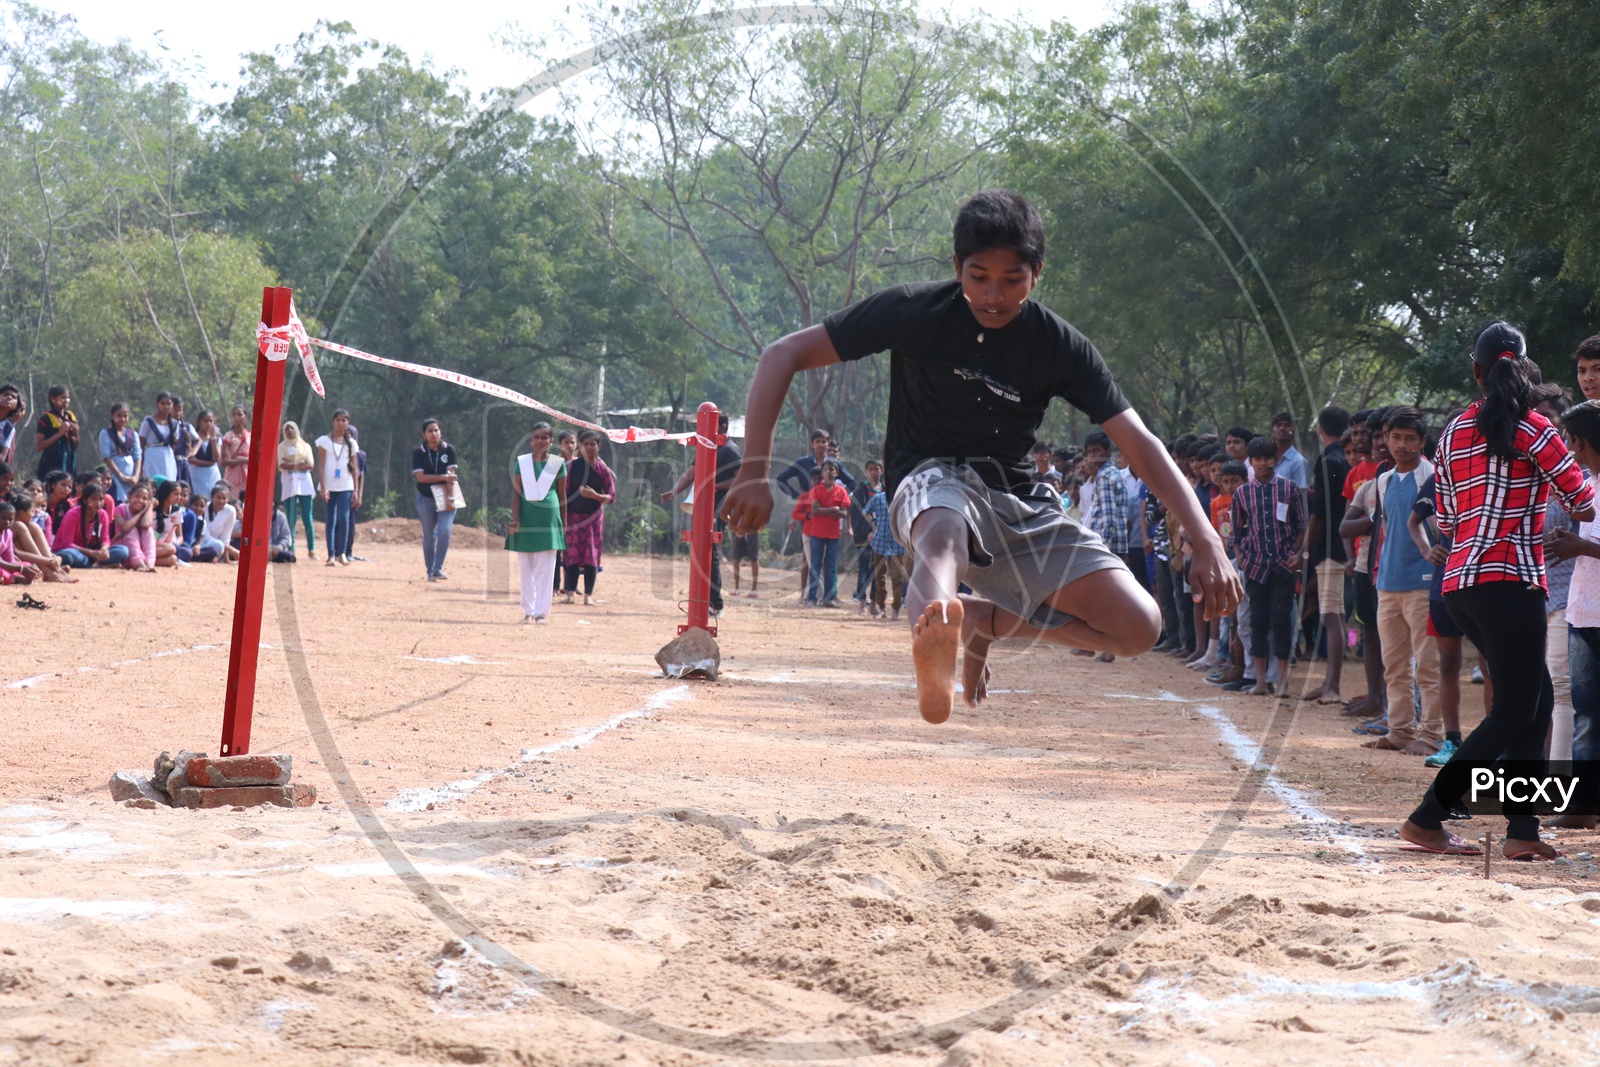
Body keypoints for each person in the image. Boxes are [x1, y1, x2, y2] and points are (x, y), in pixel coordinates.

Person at [720, 189, 1240, 721]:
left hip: (1018, 499)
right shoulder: (914, 311)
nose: (993, 295)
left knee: (1138, 627)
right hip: (929, 477)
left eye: (1011, 279)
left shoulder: (1061, 346)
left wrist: (1206, 539)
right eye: (978, 277)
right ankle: (936, 652)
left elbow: (1139, 443)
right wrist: (754, 471)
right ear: (956, 268)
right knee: (943, 534)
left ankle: (977, 620)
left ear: (1037, 273)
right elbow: (782, 353)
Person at [1401, 322, 1594, 859]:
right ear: (1527, 370)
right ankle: (1427, 818)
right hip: (1512, 580)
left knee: (1532, 705)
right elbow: (1583, 501)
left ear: (1477, 372)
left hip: (1462, 582)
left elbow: (1447, 516)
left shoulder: (1453, 432)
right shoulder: (1535, 428)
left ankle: (1522, 833)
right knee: (1514, 709)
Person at [1359, 407, 1443, 753]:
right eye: (1395, 437)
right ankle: (1399, 730)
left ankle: (1433, 735)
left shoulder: (1434, 476)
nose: (1401, 445)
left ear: (1422, 442)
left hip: (1422, 582)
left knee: (1428, 665)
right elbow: (1386, 530)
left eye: (1410, 438)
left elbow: (1442, 527)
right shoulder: (1383, 480)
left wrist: (1434, 555)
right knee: (1393, 666)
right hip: (1388, 582)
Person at [1548, 399, 1600, 828]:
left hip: (1590, 613)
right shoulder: (1588, 485)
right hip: (1583, 612)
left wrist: (1580, 547)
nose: (1566, 447)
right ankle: (1581, 807)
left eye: (1568, 439)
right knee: (1586, 712)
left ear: (1581, 442)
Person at [1230, 436, 1306, 695]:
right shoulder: (1242, 493)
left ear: (1275, 459)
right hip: (1254, 566)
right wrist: (1240, 556)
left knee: (1282, 621)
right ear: (1250, 462)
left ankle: (1283, 681)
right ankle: (1261, 681)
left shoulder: (1289, 488)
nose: (1263, 463)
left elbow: (1300, 526)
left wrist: (1296, 554)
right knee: (1257, 622)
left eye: (1268, 458)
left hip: (1283, 565)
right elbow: (1237, 532)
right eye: (1258, 459)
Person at [660, 413, 743, 616]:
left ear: (722, 425)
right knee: (700, 550)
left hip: (719, 507)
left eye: (706, 424)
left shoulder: (731, 450)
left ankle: (716, 604)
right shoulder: (706, 447)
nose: (700, 428)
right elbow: (690, 474)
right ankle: (702, 601)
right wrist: (674, 491)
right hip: (702, 506)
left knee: (710, 551)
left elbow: (740, 479)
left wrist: (714, 486)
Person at [1302, 406, 1351, 703]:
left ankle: (1332, 685)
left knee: (1331, 615)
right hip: (1340, 546)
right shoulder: (1344, 459)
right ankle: (1329, 681)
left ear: (1321, 429)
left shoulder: (1327, 460)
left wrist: (1304, 549)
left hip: (1330, 547)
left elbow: (1320, 511)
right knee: (1337, 614)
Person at [507, 422, 566, 624]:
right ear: (531, 440)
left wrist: (563, 525)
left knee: (546, 569)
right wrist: (515, 518)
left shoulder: (557, 463)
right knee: (526, 568)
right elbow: (516, 492)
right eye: (537, 437)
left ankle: (541, 613)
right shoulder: (522, 462)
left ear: (551, 441)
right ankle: (528, 612)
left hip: (549, 519)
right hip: (525, 518)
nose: (540, 441)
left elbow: (562, 495)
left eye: (545, 437)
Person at [562, 429, 616, 605]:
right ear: (580, 446)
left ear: (598, 447)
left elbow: (611, 497)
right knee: (571, 555)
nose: (589, 447)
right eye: (585, 444)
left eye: (593, 444)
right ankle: (569, 594)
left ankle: (588, 596)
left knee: (592, 555)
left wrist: (595, 496)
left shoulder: (603, 470)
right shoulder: (571, 467)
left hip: (593, 519)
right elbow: (563, 492)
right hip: (573, 518)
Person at [412, 418, 459, 581]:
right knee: (429, 535)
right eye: (430, 431)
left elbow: (451, 477)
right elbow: (421, 478)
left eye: (436, 430)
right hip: (426, 497)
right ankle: (430, 569)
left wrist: (452, 498)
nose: (434, 434)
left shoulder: (449, 450)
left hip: (447, 494)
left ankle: (438, 568)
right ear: (424, 434)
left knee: (444, 531)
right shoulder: (419, 453)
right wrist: (442, 477)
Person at [799, 460, 850, 606]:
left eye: (832, 469)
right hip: (817, 533)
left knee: (830, 566)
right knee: (815, 565)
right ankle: (812, 598)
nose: (829, 472)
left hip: (833, 534)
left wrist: (824, 510)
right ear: (822, 473)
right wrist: (833, 509)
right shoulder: (816, 490)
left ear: (837, 473)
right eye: (826, 469)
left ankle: (828, 598)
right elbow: (814, 511)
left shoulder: (841, 491)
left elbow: (844, 513)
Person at [315, 409, 359, 566]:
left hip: (345, 485)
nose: (341, 423)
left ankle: (342, 553)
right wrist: (323, 487)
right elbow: (320, 466)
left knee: (344, 518)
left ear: (348, 423)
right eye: (338, 420)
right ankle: (331, 555)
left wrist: (356, 490)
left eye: (344, 420)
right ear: (333, 421)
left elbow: (354, 467)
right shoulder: (324, 441)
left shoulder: (351, 443)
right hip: (329, 485)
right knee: (331, 519)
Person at [864, 479, 909, 620]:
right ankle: (881, 608)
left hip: (897, 543)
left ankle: (895, 608)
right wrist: (873, 523)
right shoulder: (877, 498)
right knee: (879, 577)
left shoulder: (903, 499)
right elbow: (865, 511)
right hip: (880, 542)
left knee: (897, 577)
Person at [5, 489, 70, 582]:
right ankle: (47, 571)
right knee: (20, 526)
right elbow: (17, 553)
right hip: (13, 562)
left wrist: (51, 559)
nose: (34, 514)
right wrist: (47, 561)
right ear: (22, 513)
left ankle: (52, 568)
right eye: (32, 511)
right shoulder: (14, 526)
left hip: (38, 561)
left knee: (33, 526)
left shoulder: (27, 525)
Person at [849, 459, 887, 614]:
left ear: (881, 471)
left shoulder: (885, 490)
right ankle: (862, 603)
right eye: (871, 469)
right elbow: (856, 512)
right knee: (864, 569)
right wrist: (868, 531)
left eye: (877, 469)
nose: (874, 472)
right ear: (866, 471)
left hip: (882, 536)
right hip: (864, 536)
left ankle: (874, 604)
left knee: (878, 570)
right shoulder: (861, 490)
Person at [278, 421, 316, 559]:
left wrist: (291, 465)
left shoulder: (305, 446)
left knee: (307, 517)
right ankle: (291, 547)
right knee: (291, 517)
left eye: (292, 429)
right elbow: (281, 464)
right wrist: (298, 464)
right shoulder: (281, 447)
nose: (289, 432)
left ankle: (312, 549)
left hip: (304, 484)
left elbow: (310, 465)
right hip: (289, 483)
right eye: (287, 429)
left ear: (297, 430)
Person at [98, 403, 142, 505]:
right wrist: (121, 476)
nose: (122, 419)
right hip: (115, 474)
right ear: (112, 416)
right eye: (119, 415)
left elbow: (138, 456)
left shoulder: (133, 434)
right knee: (116, 501)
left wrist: (136, 476)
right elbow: (106, 456)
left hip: (131, 475)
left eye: (125, 416)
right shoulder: (106, 433)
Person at [112, 479, 157, 572]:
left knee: (149, 531)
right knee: (131, 530)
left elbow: (145, 525)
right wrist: (140, 513)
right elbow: (125, 528)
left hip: (141, 548)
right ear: (129, 497)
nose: (140, 500)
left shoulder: (148, 511)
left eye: (144, 498)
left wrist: (150, 507)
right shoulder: (120, 509)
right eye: (137, 496)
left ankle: (149, 564)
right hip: (124, 547)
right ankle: (138, 563)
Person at [33, 385, 78, 479]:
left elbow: (76, 444)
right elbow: (39, 446)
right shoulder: (45, 418)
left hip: (69, 458)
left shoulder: (70, 416)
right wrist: (59, 433)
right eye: (63, 397)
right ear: (53, 399)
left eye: (68, 397)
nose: (67, 400)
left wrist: (76, 433)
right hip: (52, 461)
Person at [139, 393, 179, 484]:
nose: (166, 406)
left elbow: (175, 442)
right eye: (163, 403)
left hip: (167, 456)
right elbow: (141, 443)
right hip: (152, 455)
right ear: (157, 404)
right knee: (153, 481)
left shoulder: (174, 424)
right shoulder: (148, 421)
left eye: (168, 404)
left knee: (169, 482)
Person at [0, 498, 41, 585]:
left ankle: (12, 578)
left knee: (27, 565)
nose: (7, 522)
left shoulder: (8, 533)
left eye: (10, 519)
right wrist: (21, 569)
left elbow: (9, 560)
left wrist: (27, 568)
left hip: (3, 566)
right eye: (3, 518)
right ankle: (14, 578)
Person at [197, 483, 239, 563]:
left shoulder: (230, 511)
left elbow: (226, 536)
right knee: (217, 546)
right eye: (218, 498)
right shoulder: (204, 507)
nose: (221, 501)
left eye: (224, 498)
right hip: (201, 543)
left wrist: (226, 560)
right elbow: (205, 535)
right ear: (212, 498)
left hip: (219, 547)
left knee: (218, 547)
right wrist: (232, 550)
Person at [187, 409, 222, 501]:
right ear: (199, 422)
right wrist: (208, 463)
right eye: (205, 421)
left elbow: (216, 457)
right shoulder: (193, 438)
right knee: (199, 498)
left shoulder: (217, 438)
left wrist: (213, 438)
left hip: (212, 473)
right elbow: (191, 459)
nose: (208, 424)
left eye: (211, 421)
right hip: (196, 473)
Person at [1270, 411, 1309, 489]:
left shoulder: (1299, 462)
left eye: (1287, 425)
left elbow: (1302, 494)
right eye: (1278, 425)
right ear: (1272, 430)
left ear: (1295, 431)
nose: (1282, 428)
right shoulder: (1265, 459)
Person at [220, 406, 251, 498]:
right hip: (233, 476)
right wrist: (245, 461)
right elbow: (224, 461)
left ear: (245, 417)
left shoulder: (250, 436)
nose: (236, 417)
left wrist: (244, 460)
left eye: (239, 414)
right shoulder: (228, 436)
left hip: (247, 474)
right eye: (234, 415)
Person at [0, 383, 23, 466]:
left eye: (13, 397)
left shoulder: (9, 429)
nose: (9, 397)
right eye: (5, 395)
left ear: (16, 405)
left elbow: (2, 457)